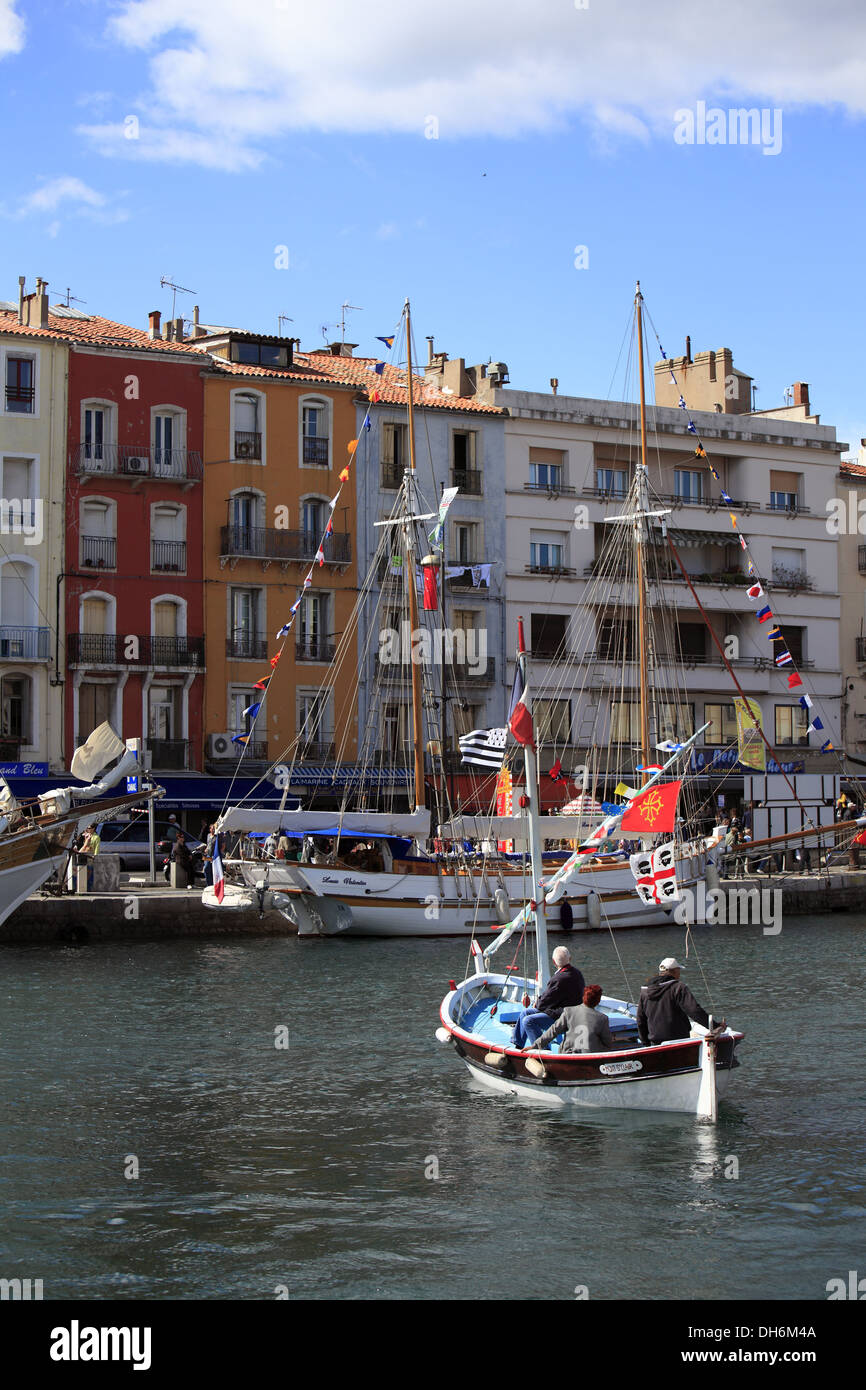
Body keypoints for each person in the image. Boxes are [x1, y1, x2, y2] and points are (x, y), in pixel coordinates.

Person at [512, 945, 585, 1049]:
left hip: (564, 1018)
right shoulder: (577, 973)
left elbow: (543, 1003)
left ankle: (543, 1050)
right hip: (572, 1012)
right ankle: (517, 1044)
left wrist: (536, 1003)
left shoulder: (559, 978)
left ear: (554, 962)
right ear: (570, 958)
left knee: (528, 1020)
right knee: (525, 1012)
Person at [636, 957, 720, 1046]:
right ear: (675, 971)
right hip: (679, 1040)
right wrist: (715, 1026)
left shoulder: (645, 991)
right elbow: (694, 1010)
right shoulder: (678, 987)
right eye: (679, 970)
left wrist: (646, 1043)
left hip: (655, 1042)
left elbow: (641, 1020)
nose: (679, 974)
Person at [530, 984, 617, 1054]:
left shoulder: (568, 1011)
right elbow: (608, 1043)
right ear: (598, 1001)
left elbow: (553, 1031)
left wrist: (535, 1046)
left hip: (567, 1054)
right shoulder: (602, 1018)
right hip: (590, 1058)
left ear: (583, 997)